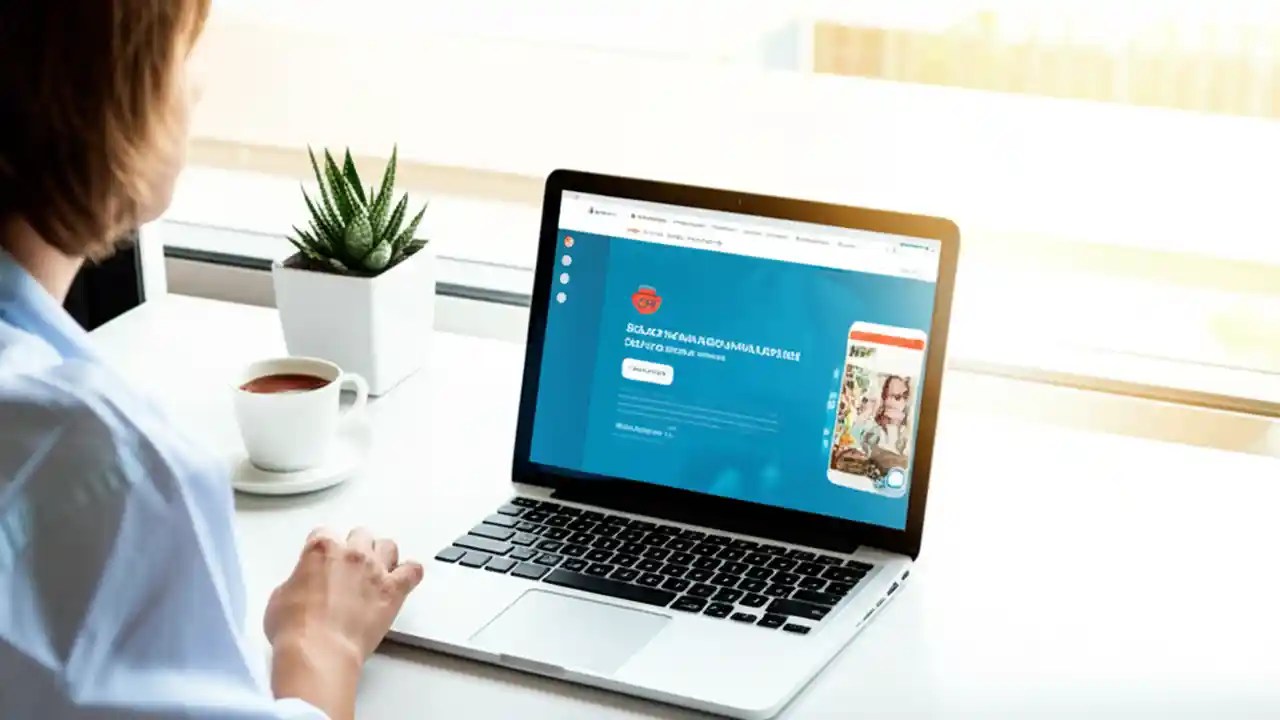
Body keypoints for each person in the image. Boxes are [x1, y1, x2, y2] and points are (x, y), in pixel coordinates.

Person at [0, 3, 422, 718]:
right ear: (99, 96)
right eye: (180, 53)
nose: (197, 89)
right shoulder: (95, 468)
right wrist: (321, 645)